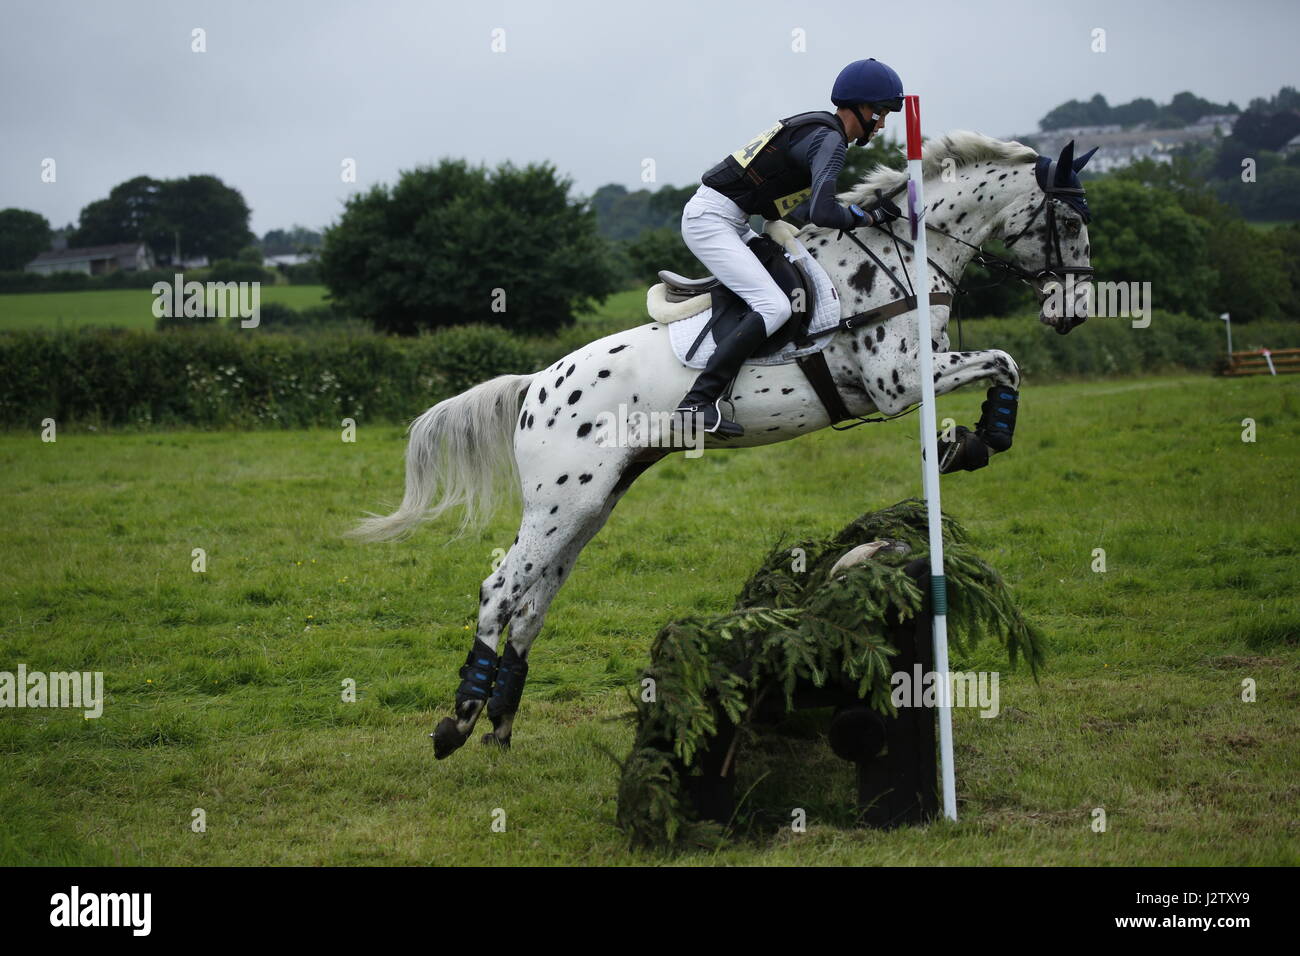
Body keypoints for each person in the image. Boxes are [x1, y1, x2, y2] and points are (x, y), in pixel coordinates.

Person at [674, 58, 906, 438]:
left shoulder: (819, 129)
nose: (882, 124)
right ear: (859, 107)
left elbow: (792, 201)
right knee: (775, 305)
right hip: (712, 221)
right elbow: (824, 211)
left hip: (733, 220)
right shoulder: (830, 140)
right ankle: (696, 402)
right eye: (880, 113)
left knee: (794, 280)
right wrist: (869, 217)